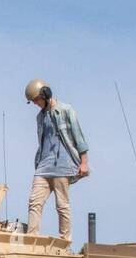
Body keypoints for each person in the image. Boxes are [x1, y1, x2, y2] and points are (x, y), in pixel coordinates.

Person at [24, 79, 90, 241]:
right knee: (34, 202)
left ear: (45, 94)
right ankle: (32, 239)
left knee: (62, 205)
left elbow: (79, 137)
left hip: (63, 165)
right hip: (43, 166)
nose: (35, 104)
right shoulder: (40, 117)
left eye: (36, 100)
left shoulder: (66, 110)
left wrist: (84, 162)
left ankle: (65, 241)